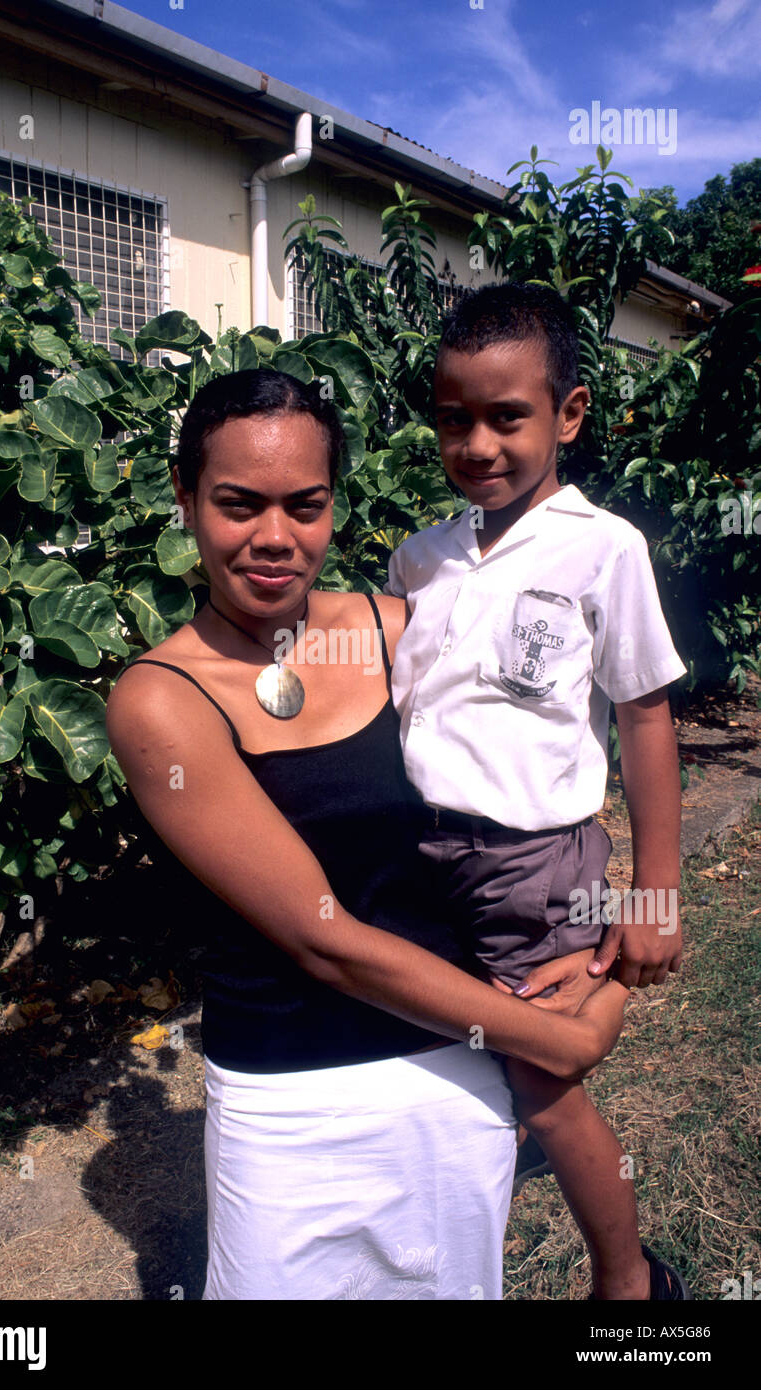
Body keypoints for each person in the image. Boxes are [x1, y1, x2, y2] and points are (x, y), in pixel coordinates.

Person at [105, 367, 628, 1301]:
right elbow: (325, 939)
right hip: (291, 1106)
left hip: (452, 1081)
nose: (275, 538)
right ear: (186, 499)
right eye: (237, 504)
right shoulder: (161, 700)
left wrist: (604, 948)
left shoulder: (402, 629)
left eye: (304, 506)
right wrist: (559, 1041)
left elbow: (550, 759)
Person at [385, 282, 691, 1300]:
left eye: (505, 415)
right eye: (452, 418)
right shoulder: (419, 559)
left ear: (566, 413)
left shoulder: (602, 549)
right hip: (421, 850)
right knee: (435, 1060)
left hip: (533, 866)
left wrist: (652, 898)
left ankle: (625, 1282)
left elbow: (644, 716)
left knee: (544, 1083)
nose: (476, 443)